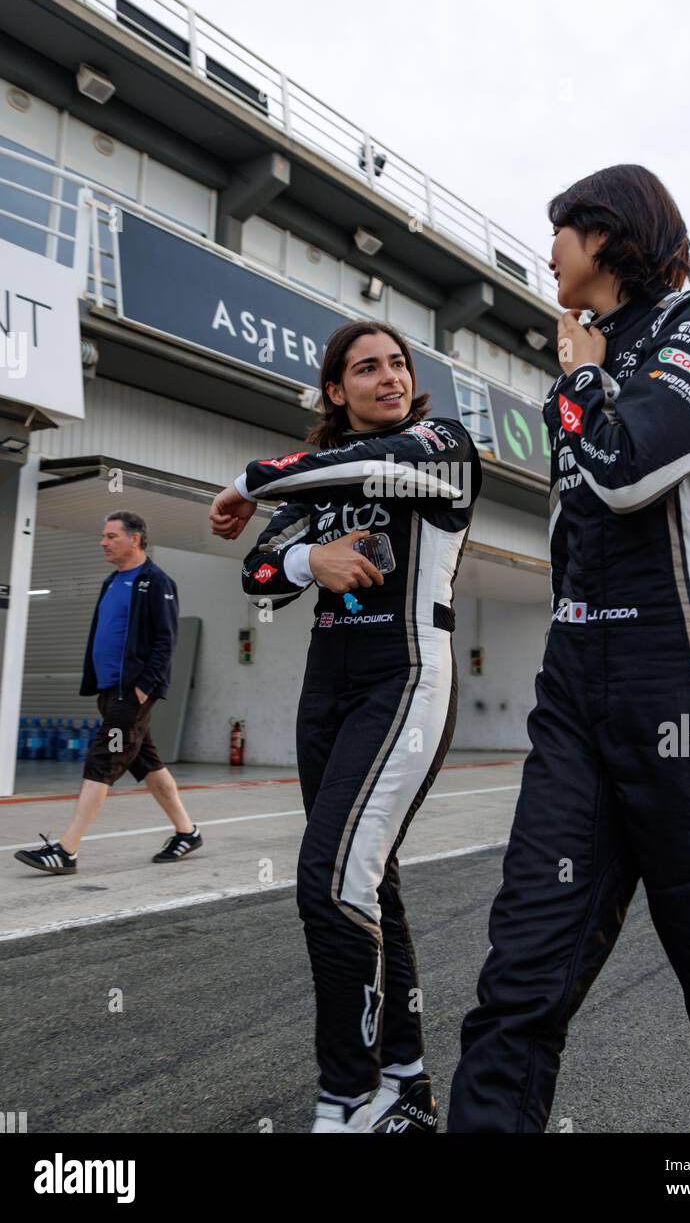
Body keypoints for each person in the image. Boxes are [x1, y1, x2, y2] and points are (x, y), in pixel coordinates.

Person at [447, 164, 690, 1134]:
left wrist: (580, 374)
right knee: (518, 978)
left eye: (562, 231)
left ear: (609, 234)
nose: (552, 252)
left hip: (683, 681)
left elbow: (622, 473)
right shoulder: (588, 359)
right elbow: (574, 532)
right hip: (575, 686)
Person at [209, 320, 481, 1134]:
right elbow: (258, 568)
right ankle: (405, 1087)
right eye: (367, 368)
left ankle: (346, 1100)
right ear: (336, 391)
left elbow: (370, 465)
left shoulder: (440, 444)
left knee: (327, 880)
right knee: (366, 881)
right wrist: (308, 561)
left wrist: (249, 478)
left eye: (398, 364)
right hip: (325, 688)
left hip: (405, 674)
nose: (389, 377)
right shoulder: (318, 486)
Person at [14, 511, 201, 874]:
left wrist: (144, 688)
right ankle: (187, 832)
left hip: (129, 695)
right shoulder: (112, 581)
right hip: (109, 691)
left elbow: (166, 640)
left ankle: (66, 850)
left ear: (135, 538)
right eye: (103, 536)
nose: (103, 542)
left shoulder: (156, 581)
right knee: (148, 763)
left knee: (103, 758)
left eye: (111, 536)